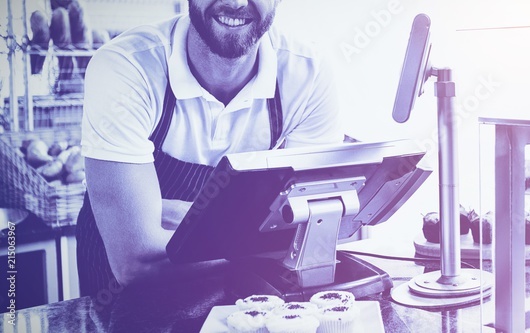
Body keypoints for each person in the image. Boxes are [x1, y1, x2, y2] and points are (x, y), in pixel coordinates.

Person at [78, 0, 344, 298]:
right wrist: (259, 235)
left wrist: (172, 218)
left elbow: (311, 234)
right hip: (121, 300)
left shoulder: (308, 74)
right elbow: (137, 261)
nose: (236, 3)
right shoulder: (127, 67)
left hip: (242, 301)